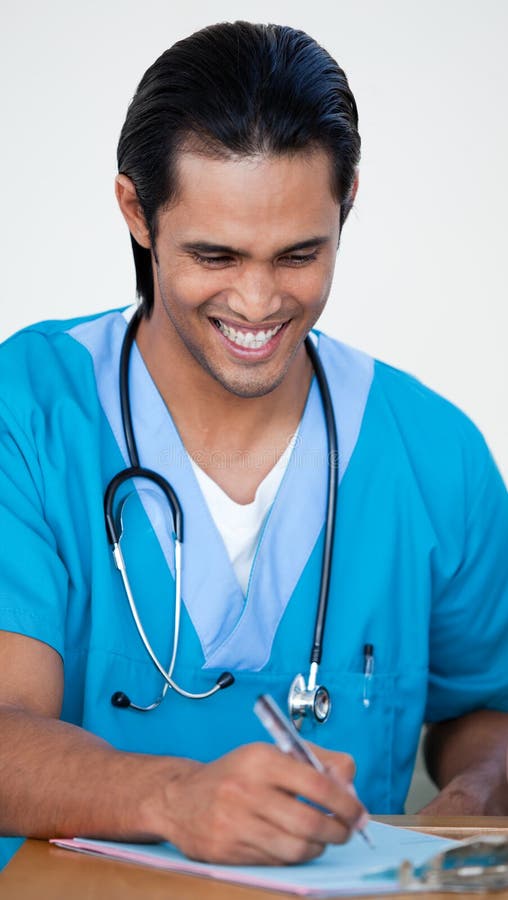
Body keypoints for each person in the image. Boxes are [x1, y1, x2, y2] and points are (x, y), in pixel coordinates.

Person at [0, 20, 507, 872]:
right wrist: (176, 797)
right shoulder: (29, 410)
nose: (259, 302)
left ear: (347, 200)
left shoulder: (434, 452)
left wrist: (470, 804)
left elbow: (485, 709)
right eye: (215, 254)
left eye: (300, 253)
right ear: (137, 212)